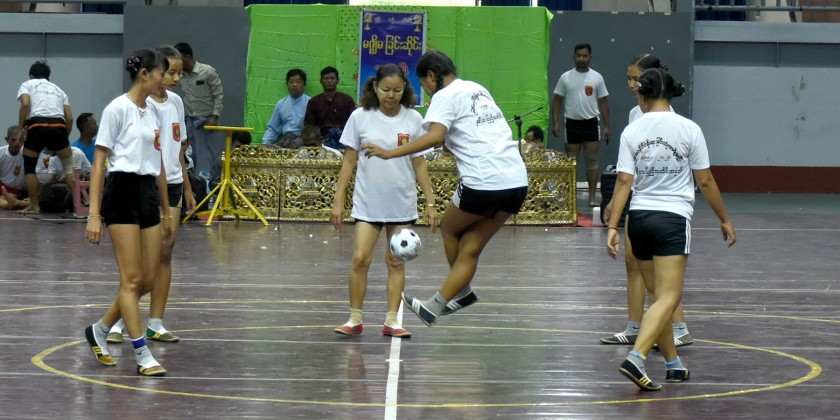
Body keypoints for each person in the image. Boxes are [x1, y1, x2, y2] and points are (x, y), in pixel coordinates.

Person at [361, 51, 529, 327]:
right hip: (516, 181)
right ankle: (439, 303)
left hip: (483, 181)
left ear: (431, 76)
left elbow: (435, 137)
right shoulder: (477, 89)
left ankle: (459, 292)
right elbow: (457, 137)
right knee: (470, 247)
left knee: (450, 229)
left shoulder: (444, 95)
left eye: (424, 85)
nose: (426, 92)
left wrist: (391, 153)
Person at [606, 68, 736, 391]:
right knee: (670, 296)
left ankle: (673, 364)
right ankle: (636, 357)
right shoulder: (689, 129)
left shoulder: (632, 131)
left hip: (639, 220)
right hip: (672, 219)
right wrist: (724, 218)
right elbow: (704, 180)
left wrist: (612, 225)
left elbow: (624, 180)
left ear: (642, 94)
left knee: (656, 296)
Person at [330, 63, 439, 338]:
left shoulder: (414, 119)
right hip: (368, 203)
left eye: (397, 90)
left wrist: (430, 203)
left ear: (405, 91)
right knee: (360, 258)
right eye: (386, 89)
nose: (391, 95)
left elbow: (419, 162)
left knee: (396, 262)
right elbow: (349, 160)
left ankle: (392, 320)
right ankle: (355, 318)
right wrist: (337, 200)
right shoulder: (359, 117)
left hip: (401, 204)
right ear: (374, 88)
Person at [83, 49, 172, 377]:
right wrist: (94, 214)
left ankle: (101, 328)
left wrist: (165, 211)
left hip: (147, 194)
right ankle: (142, 354)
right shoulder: (116, 109)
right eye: (162, 73)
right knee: (132, 279)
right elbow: (98, 162)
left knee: (147, 279)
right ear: (145, 74)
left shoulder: (154, 112)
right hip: (121, 193)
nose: (165, 79)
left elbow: (159, 164)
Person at [106, 45, 196, 345]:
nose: (172, 79)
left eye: (178, 74)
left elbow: (178, 148)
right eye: (168, 72)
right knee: (137, 266)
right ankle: (118, 322)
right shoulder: (138, 105)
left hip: (168, 183)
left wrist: (186, 187)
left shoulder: (177, 104)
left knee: (164, 255)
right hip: (139, 186)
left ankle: (156, 322)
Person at [601, 54, 692, 348]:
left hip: (662, 206)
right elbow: (628, 172)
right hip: (638, 200)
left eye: (636, 79)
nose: (631, 84)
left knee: (662, 278)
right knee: (633, 265)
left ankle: (678, 328)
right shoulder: (633, 115)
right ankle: (634, 326)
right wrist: (616, 205)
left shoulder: (667, 117)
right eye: (628, 78)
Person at [551, 43, 611, 207]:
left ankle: (592, 197)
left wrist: (607, 126)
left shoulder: (597, 77)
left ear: (590, 57)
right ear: (574, 56)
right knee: (571, 162)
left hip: (591, 123)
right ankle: (570, 198)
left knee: (592, 161)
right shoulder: (566, 77)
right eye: (578, 55)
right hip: (572, 124)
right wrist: (556, 122)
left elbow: (604, 102)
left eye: (585, 56)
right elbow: (557, 101)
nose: (581, 59)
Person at [16, 60, 77, 215]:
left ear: (31, 75)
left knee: (30, 167)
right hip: (59, 126)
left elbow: (24, 105)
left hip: (37, 125)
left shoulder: (27, 84)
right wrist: (64, 138)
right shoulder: (59, 90)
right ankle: (78, 206)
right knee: (69, 166)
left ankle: (35, 206)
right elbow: (69, 118)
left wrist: (20, 129)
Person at [175, 42, 224, 182]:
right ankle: (199, 185)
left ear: (187, 56)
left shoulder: (207, 71)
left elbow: (218, 94)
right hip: (191, 121)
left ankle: (213, 185)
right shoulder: (180, 76)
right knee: (194, 155)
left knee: (212, 155)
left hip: (208, 120)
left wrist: (215, 115)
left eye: (179, 59)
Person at [304, 66, 356, 150]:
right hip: (322, 141)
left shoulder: (347, 100)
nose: (329, 81)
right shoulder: (314, 102)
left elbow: (354, 123)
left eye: (332, 78)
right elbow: (309, 126)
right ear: (321, 81)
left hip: (344, 139)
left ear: (337, 80)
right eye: (326, 78)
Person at [263, 69, 310, 148]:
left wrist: (303, 139)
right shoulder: (281, 104)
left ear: (304, 84)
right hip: (285, 141)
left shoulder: (310, 103)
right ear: (287, 84)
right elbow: (273, 129)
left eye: (298, 82)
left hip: (303, 143)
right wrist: (264, 145)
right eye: (291, 82)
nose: (294, 85)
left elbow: (314, 129)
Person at [0, 126, 29, 210]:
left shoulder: (28, 154)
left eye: (20, 140)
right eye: (13, 140)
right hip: (3, 188)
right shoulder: (1, 153)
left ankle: (15, 202)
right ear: (7, 139)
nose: (17, 143)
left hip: (20, 191)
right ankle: (12, 202)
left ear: (24, 139)